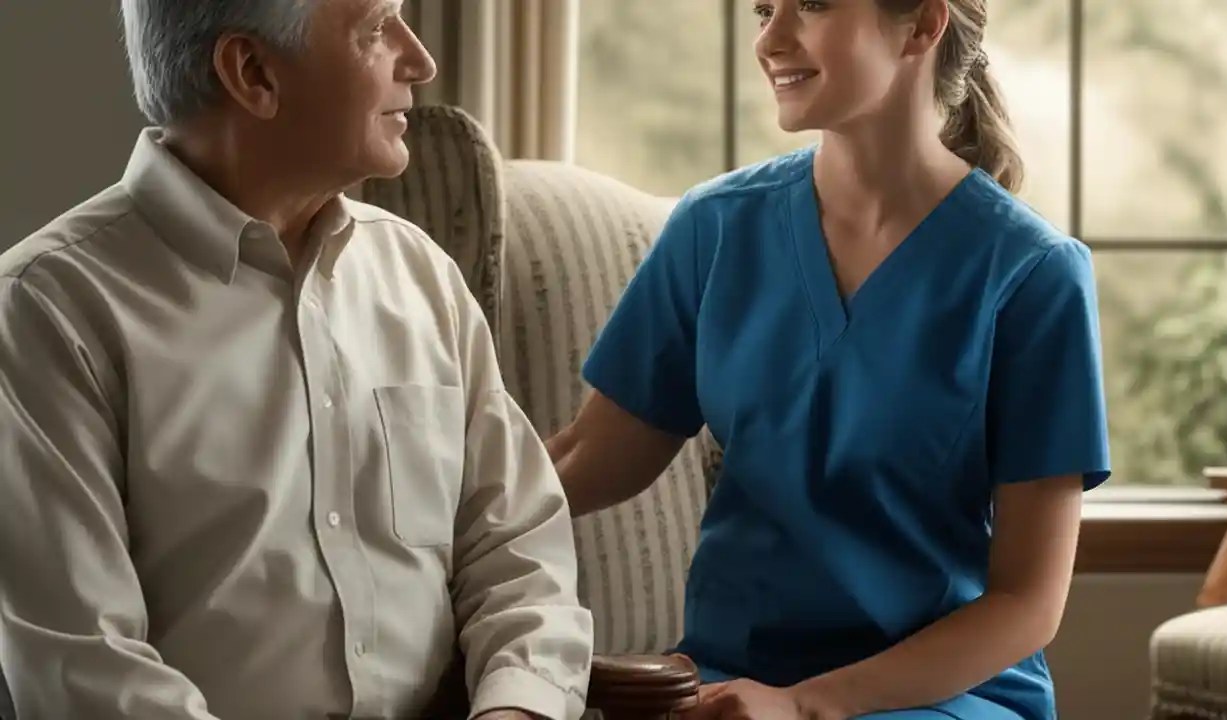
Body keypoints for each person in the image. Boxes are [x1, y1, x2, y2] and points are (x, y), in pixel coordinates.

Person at [0, 1, 592, 718]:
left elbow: (521, 556)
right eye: (377, 28)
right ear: (253, 73)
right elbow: (84, 668)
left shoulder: (420, 276)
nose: (420, 60)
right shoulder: (45, 310)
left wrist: (514, 709)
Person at [549, 0, 1109, 718]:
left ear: (921, 24)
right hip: (731, 687)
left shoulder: (1033, 275)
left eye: (809, 5)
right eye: (762, 9)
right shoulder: (714, 229)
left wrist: (805, 707)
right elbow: (588, 456)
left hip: (944, 694)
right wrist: (418, 523)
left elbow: (1027, 603)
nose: (769, 39)